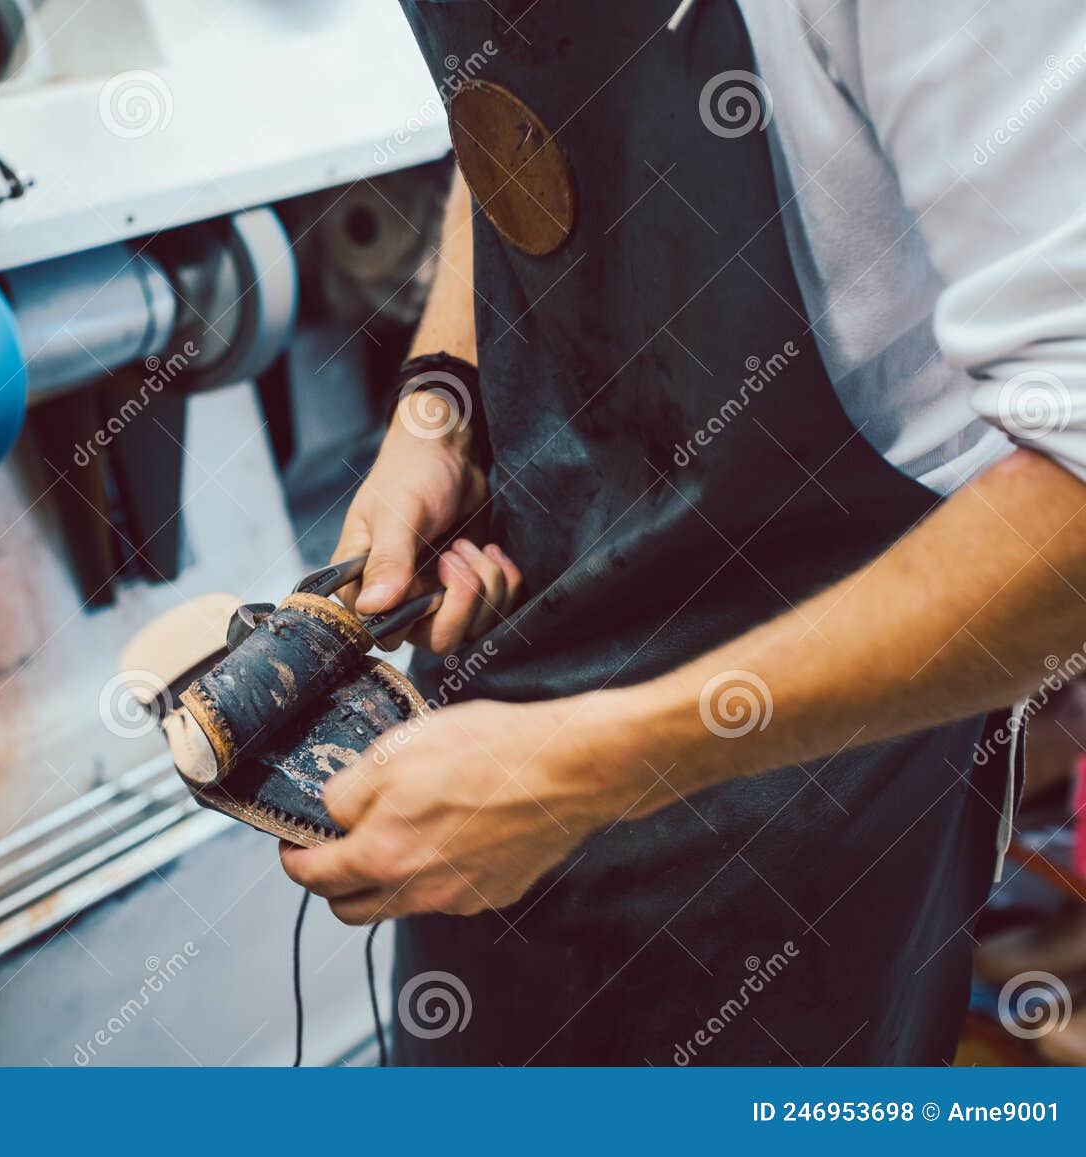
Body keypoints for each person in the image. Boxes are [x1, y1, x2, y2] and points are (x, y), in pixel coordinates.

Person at [280, 0, 1086, 1065]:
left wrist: (578, 771)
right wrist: (440, 405)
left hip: (821, 733)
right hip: (523, 670)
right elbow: (512, 135)